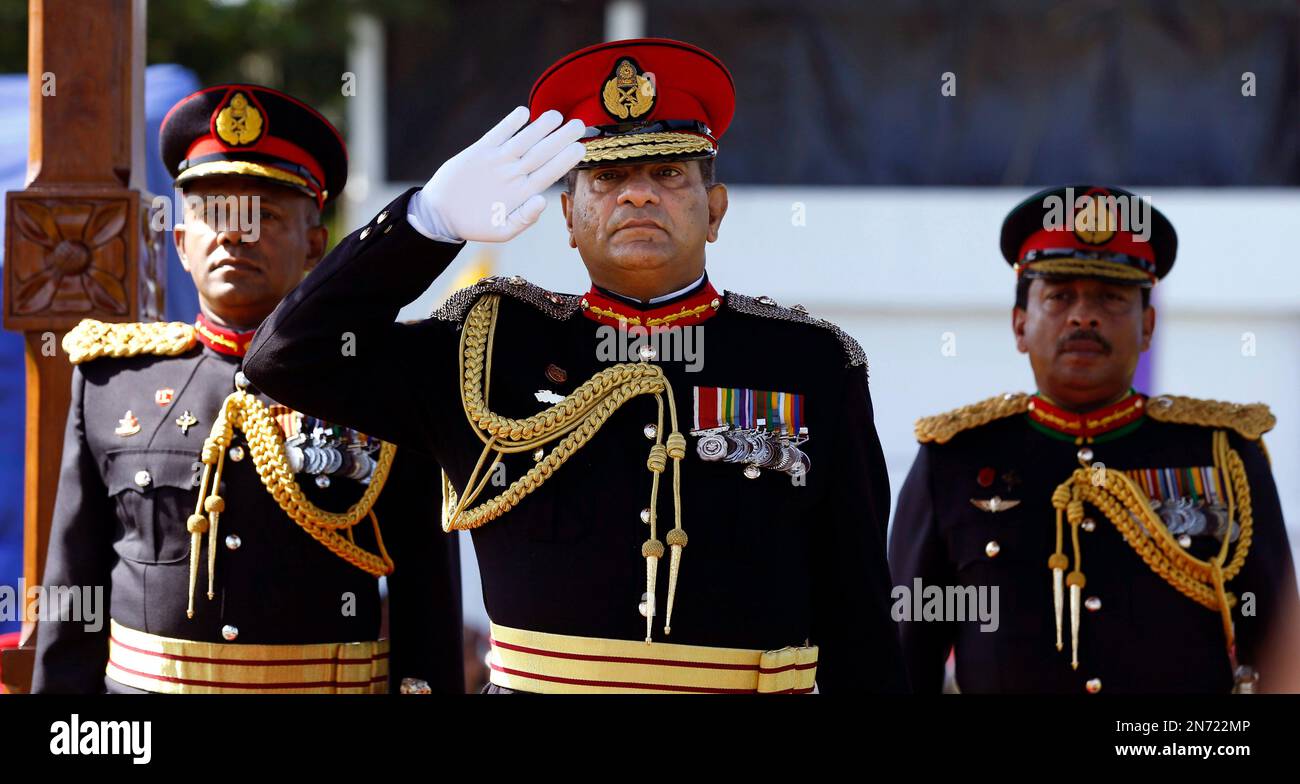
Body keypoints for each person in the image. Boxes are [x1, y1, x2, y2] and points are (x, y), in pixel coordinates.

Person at [245, 39, 906, 693]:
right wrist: (427, 224)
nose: (638, 196)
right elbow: (287, 358)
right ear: (568, 215)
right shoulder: (488, 343)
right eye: (608, 178)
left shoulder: (809, 361)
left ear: (716, 209)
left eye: (670, 174)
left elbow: (859, 613)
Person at [33, 84, 463, 694]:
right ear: (181, 245)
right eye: (212, 214)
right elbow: (72, 595)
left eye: (262, 213)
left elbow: (427, 598)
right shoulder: (111, 381)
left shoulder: (376, 382)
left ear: (316, 243)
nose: (234, 234)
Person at [889, 185, 1296, 693]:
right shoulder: (951, 462)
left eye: (1111, 298)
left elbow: (1282, 652)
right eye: (1059, 296)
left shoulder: (1222, 456)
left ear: (1148, 327)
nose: (1084, 316)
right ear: (1020, 325)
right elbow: (903, 660)